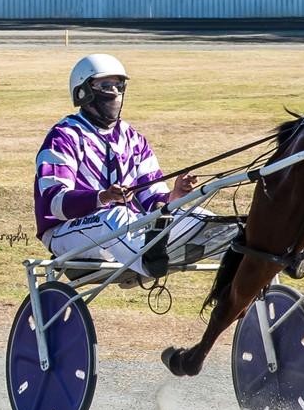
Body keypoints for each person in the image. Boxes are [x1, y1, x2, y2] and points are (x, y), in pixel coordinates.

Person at [34, 54, 239, 281]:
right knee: (115, 216)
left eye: (119, 85)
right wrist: (103, 197)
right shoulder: (64, 136)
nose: (114, 92)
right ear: (83, 91)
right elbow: (55, 203)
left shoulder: (133, 139)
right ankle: (152, 261)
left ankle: (250, 258)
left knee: (196, 215)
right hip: (65, 233)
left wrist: (175, 195)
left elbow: (154, 204)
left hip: (127, 229)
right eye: (105, 85)